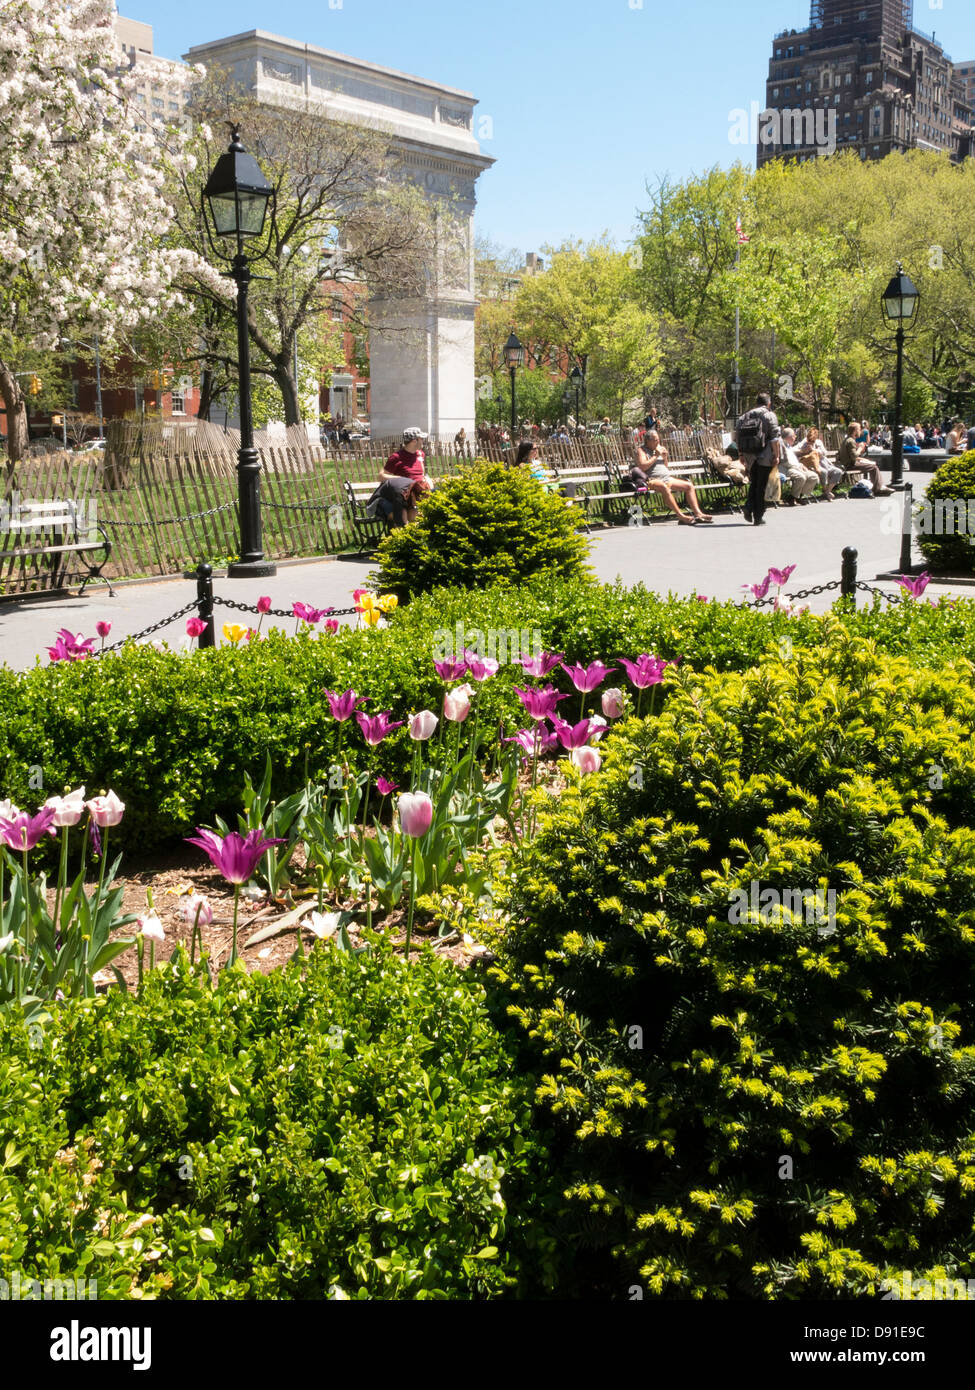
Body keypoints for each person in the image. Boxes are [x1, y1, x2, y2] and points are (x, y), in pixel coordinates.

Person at [629, 437, 713, 524]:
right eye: (655, 440)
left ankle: (698, 514)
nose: (658, 441)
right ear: (648, 441)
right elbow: (643, 466)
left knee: (689, 486)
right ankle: (681, 516)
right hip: (651, 479)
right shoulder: (641, 451)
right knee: (664, 487)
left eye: (658, 439)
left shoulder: (658, 449)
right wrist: (656, 456)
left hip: (667, 478)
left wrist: (665, 457)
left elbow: (665, 466)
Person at [736, 393, 782, 526]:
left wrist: (741, 454)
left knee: (755, 482)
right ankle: (758, 516)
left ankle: (749, 506)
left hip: (749, 454)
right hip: (765, 455)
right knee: (761, 485)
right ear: (768, 403)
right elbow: (774, 438)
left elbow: (737, 437)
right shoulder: (769, 415)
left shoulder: (744, 416)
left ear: (756, 403)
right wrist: (777, 455)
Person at [837, 422, 893, 495]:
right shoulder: (851, 441)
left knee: (872, 464)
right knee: (874, 467)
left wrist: (864, 460)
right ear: (854, 431)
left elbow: (851, 456)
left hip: (847, 464)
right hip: (850, 465)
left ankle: (878, 487)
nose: (860, 431)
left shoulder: (847, 439)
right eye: (859, 429)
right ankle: (878, 489)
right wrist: (860, 448)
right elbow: (854, 456)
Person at [794, 425, 842, 501]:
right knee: (823, 472)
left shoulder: (819, 442)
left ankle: (827, 491)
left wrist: (815, 450)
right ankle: (827, 494)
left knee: (838, 472)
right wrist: (803, 451)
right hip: (813, 465)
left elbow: (824, 452)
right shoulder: (804, 443)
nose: (811, 442)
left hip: (824, 464)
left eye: (813, 441)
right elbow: (794, 450)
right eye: (810, 440)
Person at [778, 429, 818, 504]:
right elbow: (785, 462)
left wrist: (800, 465)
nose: (795, 437)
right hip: (787, 469)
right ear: (789, 437)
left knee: (814, 476)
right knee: (801, 477)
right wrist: (798, 467)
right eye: (794, 436)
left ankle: (799, 496)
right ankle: (792, 498)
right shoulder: (781, 446)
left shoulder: (789, 446)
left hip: (796, 468)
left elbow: (793, 459)